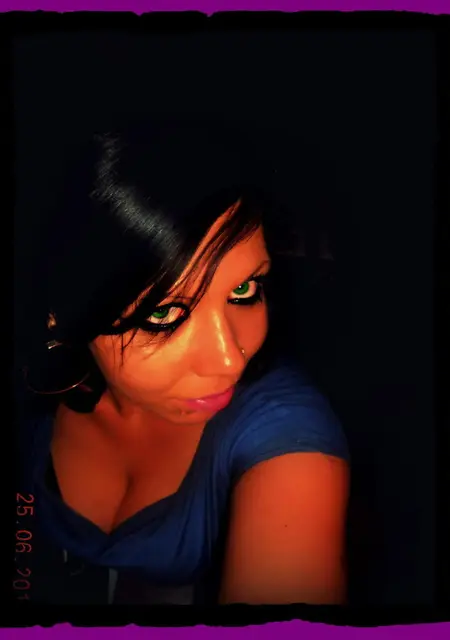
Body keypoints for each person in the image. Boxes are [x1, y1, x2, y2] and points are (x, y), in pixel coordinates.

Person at [14, 119, 349, 605]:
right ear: (60, 315)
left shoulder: (283, 427)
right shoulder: (34, 390)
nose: (229, 359)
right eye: (163, 314)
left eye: (244, 290)